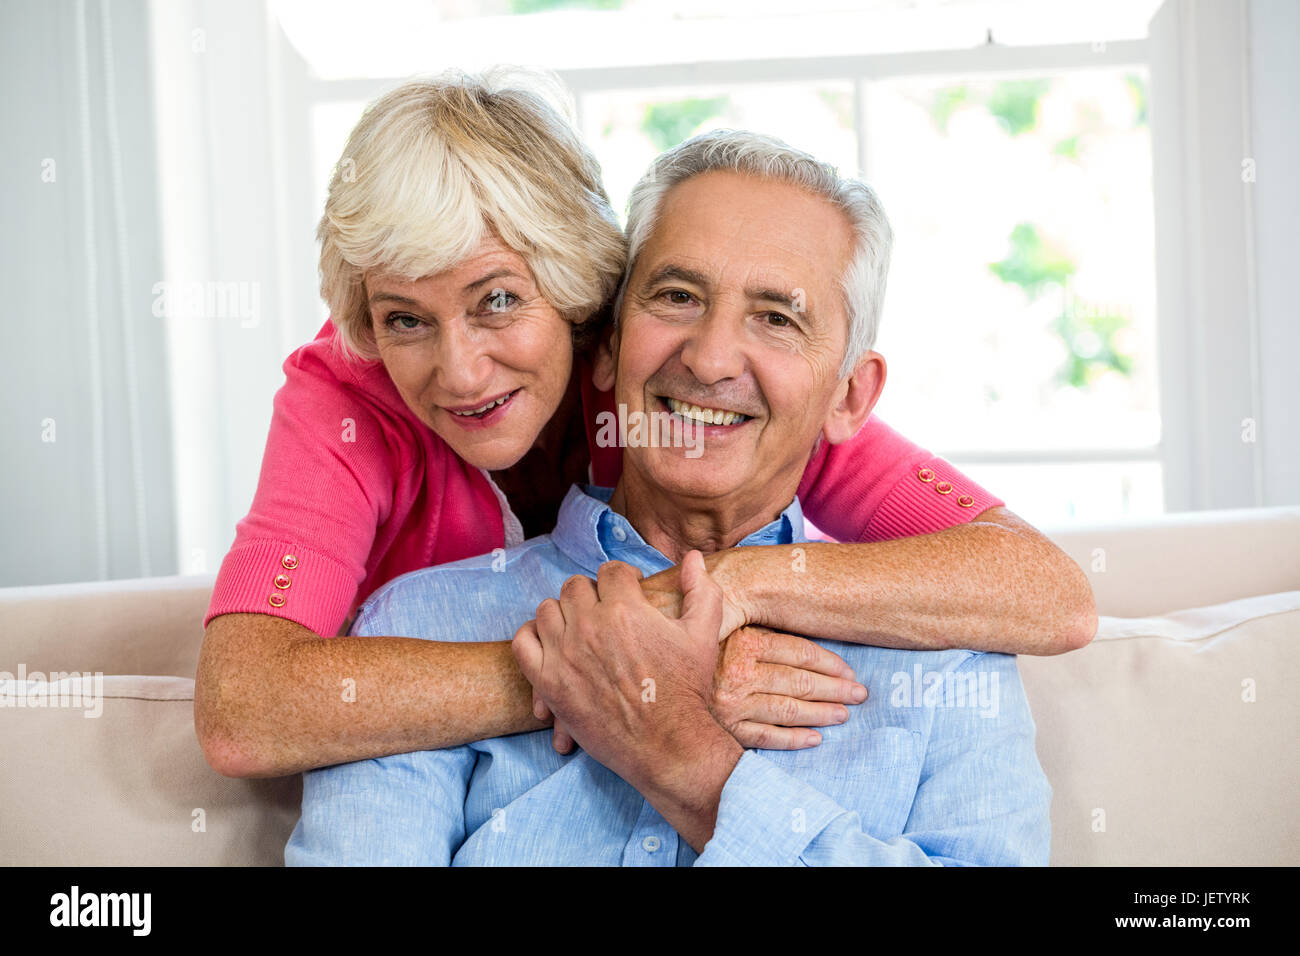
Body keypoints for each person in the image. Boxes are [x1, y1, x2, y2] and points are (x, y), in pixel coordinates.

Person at [196, 70, 1096, 782]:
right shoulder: (344, 402)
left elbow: (1046, 589)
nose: (460, 369)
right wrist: (606, 673)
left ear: (583, 295)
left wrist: (732, 592)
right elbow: (242, 707)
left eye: (499, 300)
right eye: (403, 318)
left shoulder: (668, 386)